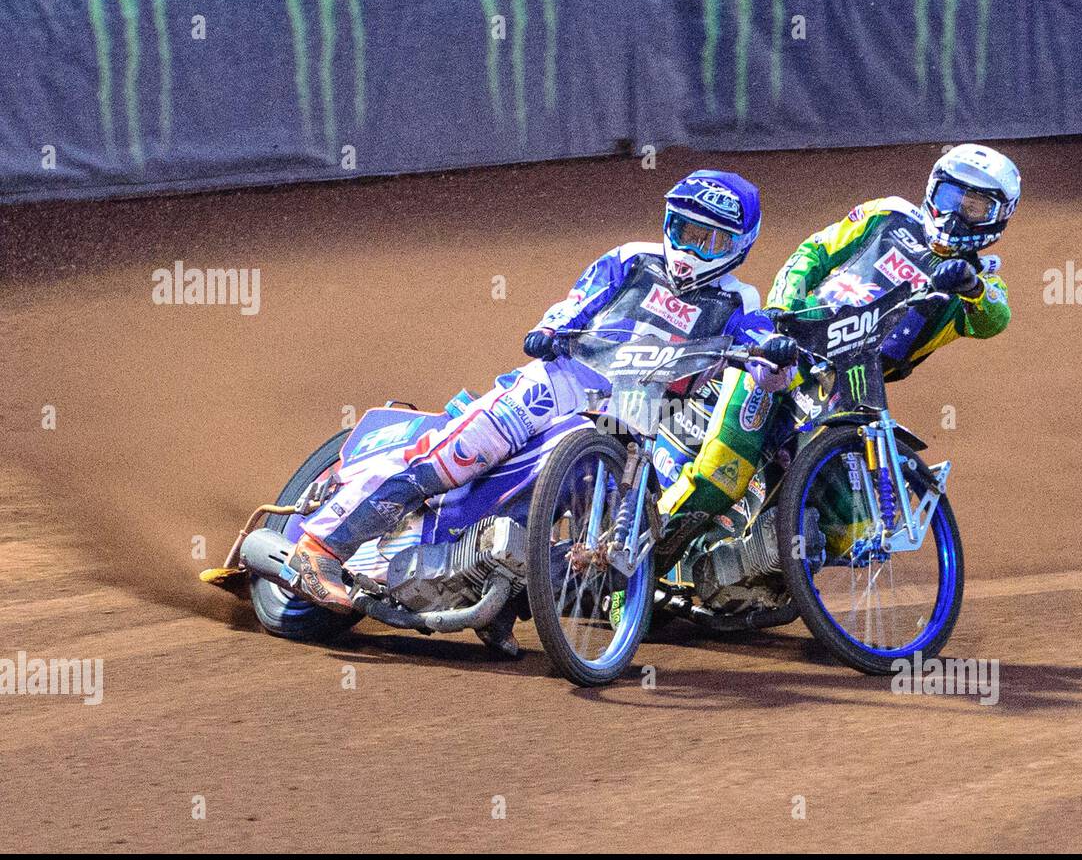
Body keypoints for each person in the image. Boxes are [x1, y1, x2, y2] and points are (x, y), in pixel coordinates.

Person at [288, 170, 798, 612]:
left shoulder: (738, 301)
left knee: (571, 522)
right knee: (454, 457)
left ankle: (495, 599)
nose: (691, 250)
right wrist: (548, 329)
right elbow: (577, 300)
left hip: (635, 423)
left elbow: (761, 353)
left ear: (738, 245)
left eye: (710, 241)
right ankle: (321, 548)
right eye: (685, 232)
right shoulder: (632, 258)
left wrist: (777, 357)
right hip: (560, 384)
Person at [657, 143, 1021, 552]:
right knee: (722, 475)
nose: (956, 213)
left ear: (998, 218)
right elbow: (812, 253)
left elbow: (995, 317)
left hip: (850, 389)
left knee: (852, 532)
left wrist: (970, 286)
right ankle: (632, 570)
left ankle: (758, 569)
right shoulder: (889, 214)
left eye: (974, 207)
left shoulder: (979, 284)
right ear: (933, 191)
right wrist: (780, 312)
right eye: (951, 197)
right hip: (790, 352)